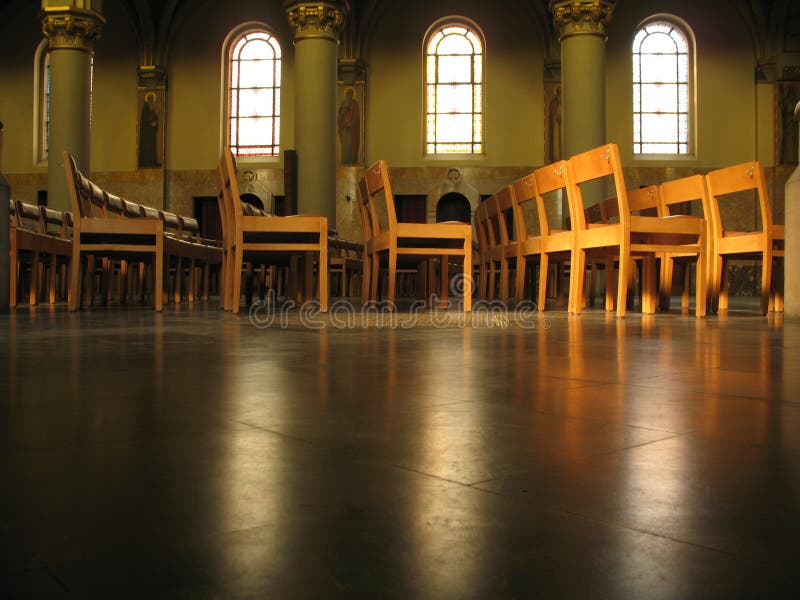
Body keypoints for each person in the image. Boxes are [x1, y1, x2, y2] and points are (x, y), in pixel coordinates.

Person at [337, 87, 360, 164]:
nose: (349, 95)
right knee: (345, 145)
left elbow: (356, 116)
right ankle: (345, 160)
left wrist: (351, 123)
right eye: (348, 93)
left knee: (351, 145)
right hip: (344, 127)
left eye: (351, 93)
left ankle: (351, 160)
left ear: (352, 95)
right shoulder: (343, 103)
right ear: (346, 94)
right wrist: (343, 113)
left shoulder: (355, 103)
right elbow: (340, 116)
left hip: (352, 129)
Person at [139, 92, 159, 168]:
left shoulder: (151, 108)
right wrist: (153, 117)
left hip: (151, 132)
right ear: (147, 100)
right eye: (149, 99)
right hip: (146, 133)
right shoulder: (145, 108)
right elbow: (145, 119)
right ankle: (146, 163)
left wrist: (155, 122)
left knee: (152, 148)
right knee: (147, 148)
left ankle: (152, 162)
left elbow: (154, 119)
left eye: (152, 99)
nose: (151, 101)